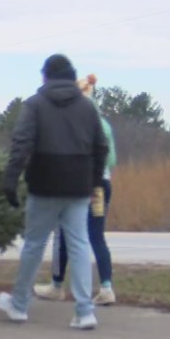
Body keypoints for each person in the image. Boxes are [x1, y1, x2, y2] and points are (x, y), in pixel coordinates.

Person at [0, 54, 108, 330]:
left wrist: (11, 178)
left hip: (44, 183)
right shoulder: (87, 107)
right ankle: (85, 311)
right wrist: (94, 181)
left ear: (46, 76)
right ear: (72, 76)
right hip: (79, 184)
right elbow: (101, 147)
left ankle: (19, 305)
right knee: (79, 244)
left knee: (34, 244)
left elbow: (21, 143)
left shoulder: (35, 105)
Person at [34, 74, 118, 305]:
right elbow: (111, 160)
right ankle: (106, 287)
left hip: (77, 186)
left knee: (63, 233)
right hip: (102, 185)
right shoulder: (104, 125)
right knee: (96, 236)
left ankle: (57, 285)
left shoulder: (75, 123)